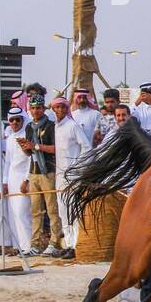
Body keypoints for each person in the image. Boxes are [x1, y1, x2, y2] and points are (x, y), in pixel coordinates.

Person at [23, 95, 66, 257]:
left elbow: (55, 148)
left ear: (43, 109)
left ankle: (55, 242)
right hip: (33, 172)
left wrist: (35, 146)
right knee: (35, 210)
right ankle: (35, 244)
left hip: (48, 171)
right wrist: (25, 147)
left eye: (38, 108)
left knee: (52, 209)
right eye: (33, 108)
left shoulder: (50, 126)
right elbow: (29, 153)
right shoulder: (28, 127)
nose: (35, 111)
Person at [53, 96, 92, 257]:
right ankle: (68, 244)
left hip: (73, 175)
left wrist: (78, 168)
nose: (60, 111)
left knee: (73, 211)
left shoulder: (72, 126)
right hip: (59, 175)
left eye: (63, 107)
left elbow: (87, 147)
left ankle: (76, 246)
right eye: (57, 108)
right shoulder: (55, 127)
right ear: (54, 110)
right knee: (63, 211)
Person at [4, 109, 34, 255]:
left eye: (18, 119)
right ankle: (18, 246)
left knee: (23, 213)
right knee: (13, 214)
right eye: (12, 120)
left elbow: (31, 159)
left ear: (22, 120)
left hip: (23, 179)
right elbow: (7, 161)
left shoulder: (27, 136)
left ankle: (28, 246)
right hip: (11, 179)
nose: (15, 122)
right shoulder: (9, 138)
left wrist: (26, 180)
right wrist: (5, 182)